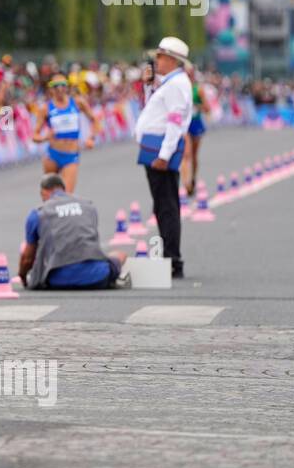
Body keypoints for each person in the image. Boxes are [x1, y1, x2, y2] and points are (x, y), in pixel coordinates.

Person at [136, 37, 194, 278]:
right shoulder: (170, 83)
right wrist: (149, 86)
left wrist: (164, 154)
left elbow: (174, 122)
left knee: (167, 205)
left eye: (160, 57)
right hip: (156, 145)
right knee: (162, 204)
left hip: (160, 147)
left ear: (171, 59)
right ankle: (170, 256)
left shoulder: (176, 85)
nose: (156, 61)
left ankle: (172, 258)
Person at [18, 174, 128, 289]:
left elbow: (27, 258)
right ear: (63, 189)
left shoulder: (38, 213)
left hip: (57, 281)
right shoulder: (88, 206)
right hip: (97, 276)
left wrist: (23, 276)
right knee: (120, 255)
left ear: (44, 192)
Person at [31, 74, 99, 192]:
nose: (59, 89)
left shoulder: (78, 103)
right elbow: (34, 136)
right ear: (51, 89)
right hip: (52, 155)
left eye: (62, 85)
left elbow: (94, 120)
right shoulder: (46, 109)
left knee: (67, 196)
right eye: (55, 86)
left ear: (67, 87)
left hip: (71, 155)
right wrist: (44, 138)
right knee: (48, 195)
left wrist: (91, 138)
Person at [183, 70, 213, 194]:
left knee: (194, 155)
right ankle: (187, 184)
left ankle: (193, 178)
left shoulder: (198, 90)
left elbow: (207, 108)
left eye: (190, 75)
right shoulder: (180, 89)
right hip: (184, 124)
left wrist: (197, 106)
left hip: (195, 123)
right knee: (186, 154)